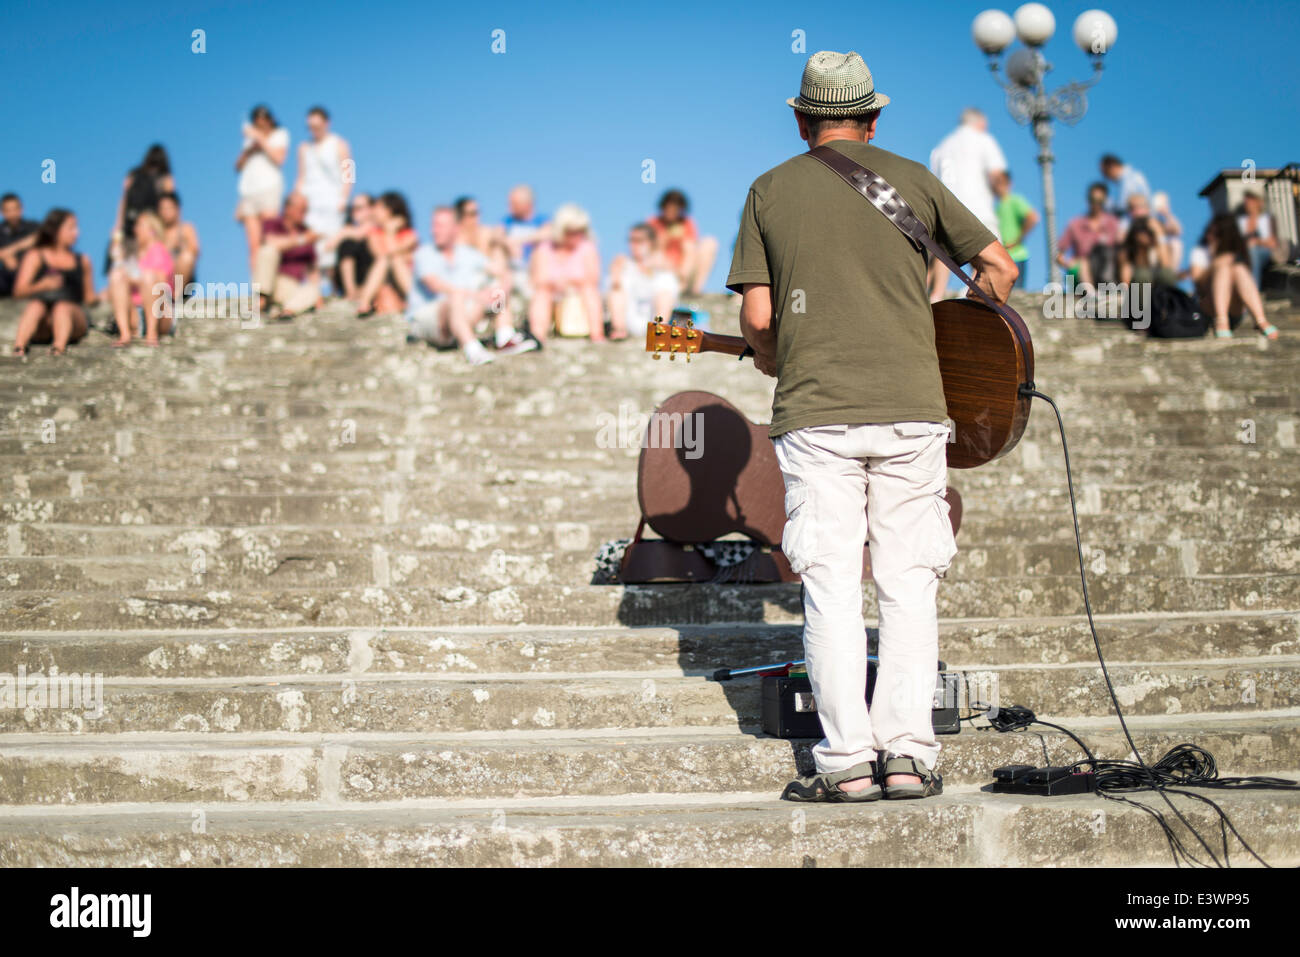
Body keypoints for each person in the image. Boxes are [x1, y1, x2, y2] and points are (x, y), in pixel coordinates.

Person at [728, 51, 1017, 802]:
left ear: (800, 119)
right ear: (873, 118)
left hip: (816, 414)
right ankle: (909, 755)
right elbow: (998, 268)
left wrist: (769, 356)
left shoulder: (769, 189)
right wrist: (962, 331)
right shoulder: (912, 177)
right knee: (907, 583)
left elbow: (759, 318)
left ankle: (849, 761)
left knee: (828, 585)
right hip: (914, 408)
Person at [406, 206, 536, 364]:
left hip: (463, 315)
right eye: (434, 225)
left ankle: (505, 335)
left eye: (441, 225)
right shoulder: (424, 254)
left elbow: (501, 272)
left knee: (496, 287)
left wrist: (502, 289)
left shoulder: (468, 254)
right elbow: (435, 284)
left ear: (455, 229)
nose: (435, 230)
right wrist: (477, 296)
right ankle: (472, 349)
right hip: (430, 318)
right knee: (457, 298)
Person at [927, 108, 1007, 300]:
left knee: (943, 255)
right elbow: (996, 175)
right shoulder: (983, 140)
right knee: (988, 257)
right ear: (979, 122)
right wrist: (1003, 194)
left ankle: (936, 296)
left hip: (946, 207)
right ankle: (971, 295)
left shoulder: (941, 147)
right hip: (978, 206)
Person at [10, 208, 95, 357]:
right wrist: (42, 285)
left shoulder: (83, 261)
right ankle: (19, 347)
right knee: (36, 305)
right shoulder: (36, 255)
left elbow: (89, 298)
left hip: (72, 317)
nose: (77, 233)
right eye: (71, 228)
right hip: (43, 320)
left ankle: (58, 348)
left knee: (62, 307)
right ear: (56, 230)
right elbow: (18, 291)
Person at [1188, 215, 1278, 340]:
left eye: (1215, 234)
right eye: (1209, 232)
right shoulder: (1200, 252)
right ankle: (1221, 320)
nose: (1210, 236)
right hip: (1207, 304)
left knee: (1238, 269)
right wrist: (1215, 263)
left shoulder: (1237, 254)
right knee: (1224, 267)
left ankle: (1260, 320)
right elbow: (1199, 285)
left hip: (1235, 307)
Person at [528, 203, 602, 341]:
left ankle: (597, 334)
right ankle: (537, 337)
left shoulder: (587, 248)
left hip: (578, 293)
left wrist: (569, 282)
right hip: (550, 293)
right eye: (572, 231)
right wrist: (555, 283)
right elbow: (537, 280)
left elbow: (593, 279)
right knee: (541, 294)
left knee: (589, 291)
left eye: (580, 231)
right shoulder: (544, 249)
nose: (576, 236)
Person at [293, 106, 353, 277]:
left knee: (330, 248)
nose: (314, 131)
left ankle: (334, 291)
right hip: (310, 203)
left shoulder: (340, 144)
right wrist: (296, 199)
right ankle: (314, 289)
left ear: (327, 123)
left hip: (332, 201)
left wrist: (344, 198)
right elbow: (301, 175)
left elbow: (349, 173)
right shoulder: (304, 147)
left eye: (317, 126)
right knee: (312, 246)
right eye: (310, 127)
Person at [235, 105, 290, 275]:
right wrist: (250, 148)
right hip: (249, 192)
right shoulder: (249, 141)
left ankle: (271, 282)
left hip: (269, 190)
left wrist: (259, 139)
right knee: (253, 245)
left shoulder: (280, 135)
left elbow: (279, 158)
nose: (261, 125)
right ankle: (257, 288)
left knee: (270, 239)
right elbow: (238, 166)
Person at [107, 211, 174, 347]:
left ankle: (151, 333)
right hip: (135, 311)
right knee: (116, 275)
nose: (135, 229)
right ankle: (124, 334)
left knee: (148, 276)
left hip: (159, 311)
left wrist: (131, 280)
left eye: (140, 226)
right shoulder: (133, 256)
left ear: (152, 231)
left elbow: (161, 282)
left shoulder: (159, 250)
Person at [107, 144, 174, 274]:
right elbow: (170, 201)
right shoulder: (165, 178)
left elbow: (124, 199)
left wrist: (118, 224)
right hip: (152, 226)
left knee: (124, 262)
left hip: (129, 224)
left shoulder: (133, 174)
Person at [253, 192, 320, 320]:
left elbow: (312, 270)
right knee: (267, 251)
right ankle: (261, 299)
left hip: (290, 285)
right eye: (302, 210)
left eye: (306, 210)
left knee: (313, 290)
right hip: (271, 281)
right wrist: (301, 240)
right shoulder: (273, 224)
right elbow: (271, 243)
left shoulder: (306, 231)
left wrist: (317, 295)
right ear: (288, 208)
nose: (304, 214)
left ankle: (288, 311)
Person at [607, 222, 678, 340]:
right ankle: (619, 329)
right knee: (616, 288)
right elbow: (614, 285)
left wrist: (654, 265)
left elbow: (678, 280)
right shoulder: (623, 263)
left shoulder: (661, 263)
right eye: (631, 240)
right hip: (630, 317)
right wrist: (616, 270)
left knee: (666, 281)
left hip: (654, 316)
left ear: (650, 243)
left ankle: (660, 330)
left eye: (639, 240)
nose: (633, 245)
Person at [355, 191, 417, 316]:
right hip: (382, 279)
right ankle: (364, 302)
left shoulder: (409, 234)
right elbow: (379, 254)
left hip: (404, 277)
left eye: (378, 207)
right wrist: (390, 232)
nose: (374, 211)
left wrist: (390, 232)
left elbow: (401, 255)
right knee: (386, 259)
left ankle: (414, 299)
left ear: (389, 210)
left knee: (395, 259)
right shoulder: (374, 233)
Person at [648, 189, 717, 296]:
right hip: (660, 271)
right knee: (656, 255)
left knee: (709, 243)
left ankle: (694, 291)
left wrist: (682, 273)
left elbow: (690, 250)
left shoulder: (687, 223)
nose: (671, 212)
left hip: (683, 272)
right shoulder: (653, 222)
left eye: (675, 209)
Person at [1057, 182, 1121, 287]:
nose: (1096, 204)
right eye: (1092, 200)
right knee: (1083, 262)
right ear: (1087, 199)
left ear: (1105, 201)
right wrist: (1068, 263)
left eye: (1099, 201)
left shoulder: (1113, 223)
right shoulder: (1075, 224)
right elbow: (1059, 254)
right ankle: (1091, 294)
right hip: (1081, 273)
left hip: (1107, 270)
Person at [991, 170, 1037, 288]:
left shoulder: (1015, 200)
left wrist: (1017, 240)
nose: (998, 186)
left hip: (1016, 256)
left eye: (1001, 182)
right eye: (995, 183)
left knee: (1015, 295)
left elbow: (1033, 217)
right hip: (1001, 258)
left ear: (1009, 184)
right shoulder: (997, 207)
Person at [326, 193, 375, 301]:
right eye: (352, 208)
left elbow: (360, 234)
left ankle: (353, 293)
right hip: (349, 280)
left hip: (370, 277)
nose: (354, 212)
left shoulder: (376, 226)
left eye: (359, 208)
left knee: (347, 243)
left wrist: (342, 233)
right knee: (346, 245)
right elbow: (328, 247)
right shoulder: (349, 230)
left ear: (371, 209)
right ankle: (350, 292)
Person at [502, 184, 547, 295]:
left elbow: (550, 232)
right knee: (498, 252)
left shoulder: (541, 220)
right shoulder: (507, 221)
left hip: (534, 269)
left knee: (541, 249)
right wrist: (507, 243)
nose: (509, 207)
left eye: (514, 204)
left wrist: (519, 241)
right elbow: (496, 234)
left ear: (527, 204)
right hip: (511, 268)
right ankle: (497, 309)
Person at [157, 192, 199, 298]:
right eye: (163, 209)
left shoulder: (186, 229)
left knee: (187, 257)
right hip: (161, 279)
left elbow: (195, 250)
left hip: (181, 280)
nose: (165, 212)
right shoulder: (157, 234)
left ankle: (176, 297)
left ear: (177, 209)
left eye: (168, 208)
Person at [1237, 184, 1277, 289]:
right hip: (1243, 252)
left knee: (1252, 253)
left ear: (1258, 203)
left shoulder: (1266, 219)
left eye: (1250, 202)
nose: (1248, 204)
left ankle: (1253, 290)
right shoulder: (1241, 222)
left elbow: (1272, 243)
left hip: (1263, 252)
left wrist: (1256, 242)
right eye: (1246, 202)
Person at [0, 193, 40, 297]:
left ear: (21, 209)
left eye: (15, 209)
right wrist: (5, 255)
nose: (12, 213)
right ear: (2, 212)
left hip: (31, 275)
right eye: (7, 210)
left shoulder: (33, 227)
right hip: (6, 277)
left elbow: (45, 240)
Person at [1150, 191, 1184, 272]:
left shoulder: (1164, 218)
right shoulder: (1151, 217)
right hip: (1153, 249)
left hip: (1165, 249)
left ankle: (1171, 273)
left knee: (1176, 243)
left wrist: (1167, 214)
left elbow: (1178, 231)